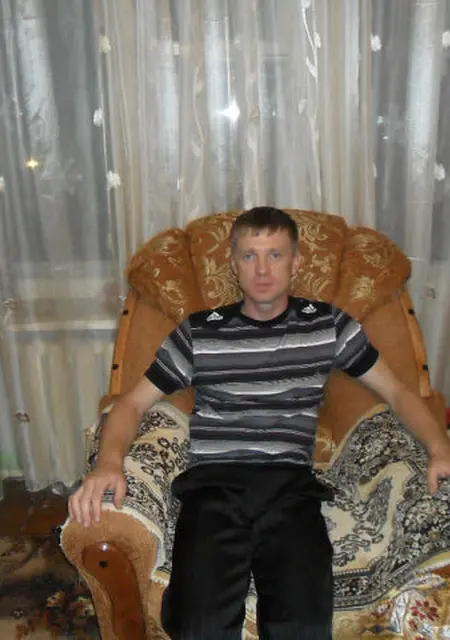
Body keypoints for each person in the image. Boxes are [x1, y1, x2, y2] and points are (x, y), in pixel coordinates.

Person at [69, 206, 450, 639]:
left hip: (290, 489)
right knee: (199, 624)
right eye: (250, 256)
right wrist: (108, 463)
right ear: (233, 264)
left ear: (296, 262)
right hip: (213, 487)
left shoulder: (327, 324)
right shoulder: (200, 332)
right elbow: (131, 404)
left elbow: (399, 392)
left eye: (275, 255)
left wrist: (440, 448)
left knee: (302, 625)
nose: (263, 270)